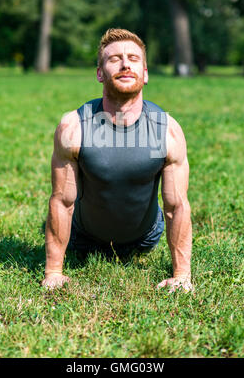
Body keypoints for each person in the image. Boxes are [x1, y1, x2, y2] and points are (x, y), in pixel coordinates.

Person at [42, 28, 192, 293]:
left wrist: (182, 276)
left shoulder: (167, 130)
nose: (125, 64)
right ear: (100, 73)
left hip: (145, 239)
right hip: (82, 239)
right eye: (114, 59)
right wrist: (53, 272)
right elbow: (62, 201)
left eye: (134, 59)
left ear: (145, 74)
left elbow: (176, 206)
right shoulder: (74, 126)